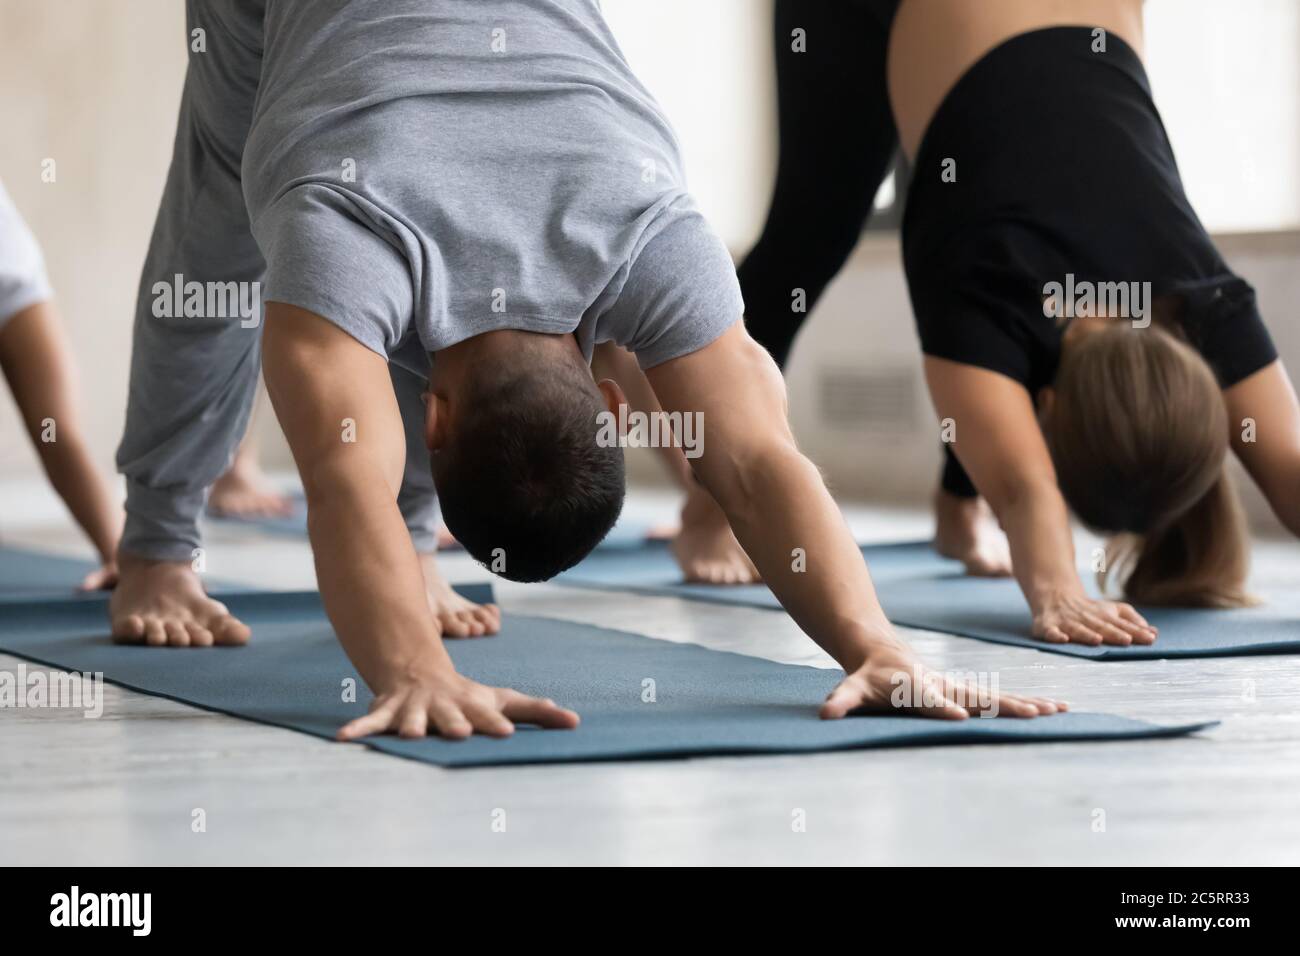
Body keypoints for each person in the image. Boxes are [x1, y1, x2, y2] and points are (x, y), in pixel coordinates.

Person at [110, 0, 1063, 739]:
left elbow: (759, 462)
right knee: (216, 246)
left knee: (315, 313)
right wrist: (410, 670)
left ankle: (292, 549)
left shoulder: (653, 229)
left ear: (613, 402)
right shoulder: (340, 233)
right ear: (618, 396)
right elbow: (339, 479)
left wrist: (880, 645)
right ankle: (155, 559)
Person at [737, 0, 1300, 646]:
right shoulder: (980, 285)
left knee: (978, 352)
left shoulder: (1208, 302)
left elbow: (1287, 464)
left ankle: (955, 511)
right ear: (1048, 405)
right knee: (811, 234)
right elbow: (1025, 486)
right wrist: (1057, 592)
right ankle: (714, 502)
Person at [0, 177, 121, 590]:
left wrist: (122, 554)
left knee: (57, 429)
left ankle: (119, 549)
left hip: (13, 282)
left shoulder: (11, 265)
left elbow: (60, 436)